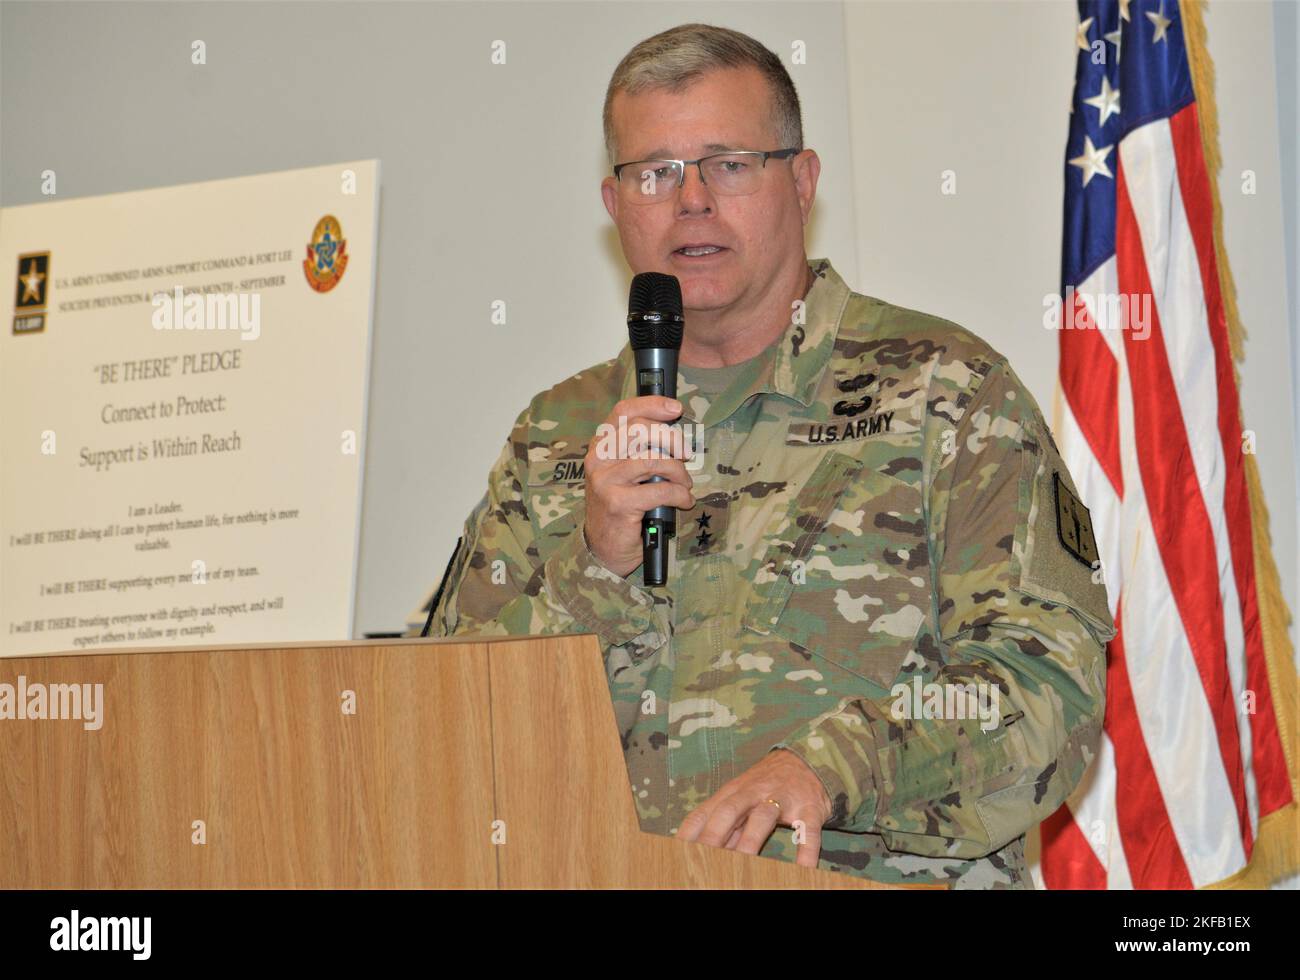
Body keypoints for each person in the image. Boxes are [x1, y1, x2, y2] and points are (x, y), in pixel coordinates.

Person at [407, 22, 1116, 889]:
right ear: (615, 203)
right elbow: (445, 731)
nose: (692, 200)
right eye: (655, 172)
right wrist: (594, 566)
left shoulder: (945, 392)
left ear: (803, 180)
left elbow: (1046, 688)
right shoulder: (554, 435)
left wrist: (831, 768)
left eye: (730, 163)